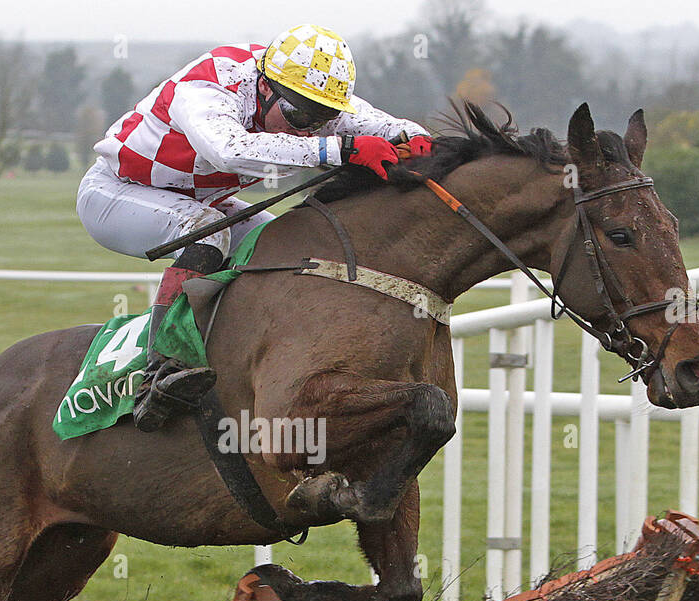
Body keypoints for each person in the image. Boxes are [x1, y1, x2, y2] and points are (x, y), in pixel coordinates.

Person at [76, 23, 433, 432]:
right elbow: (229, 151)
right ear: (265, 87)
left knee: (287, 244)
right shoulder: (211, 85)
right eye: (299, 115)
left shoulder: (303, 91)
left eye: (322, 119)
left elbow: (384, 126)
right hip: (116, 192)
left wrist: (418, 139)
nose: (306, 129)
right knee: (209, 230)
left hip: (199, 200)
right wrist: (341, 149)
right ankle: (161, 370)